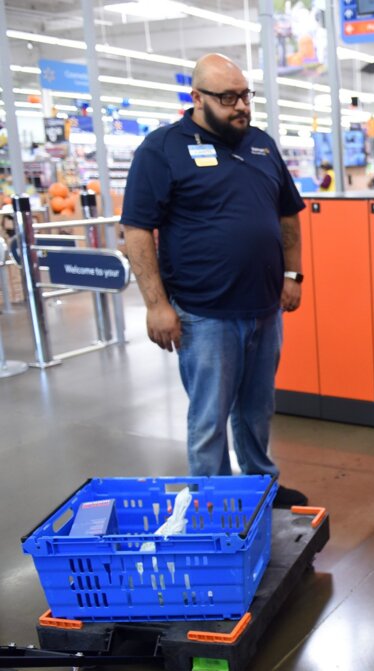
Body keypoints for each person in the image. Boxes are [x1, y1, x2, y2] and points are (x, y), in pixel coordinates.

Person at [120, 53, 308, 509]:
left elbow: (287, 214)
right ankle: (215, 502)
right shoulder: (162, 149)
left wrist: (292, 273)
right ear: (197, 98)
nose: (241, 106)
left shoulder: (261, 144)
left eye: (245, 96)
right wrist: (156, 305)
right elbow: (138, 230)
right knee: (209, 418)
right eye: (228, 98)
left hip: (264, 308)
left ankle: (261, 485)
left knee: (256, 411)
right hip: (204, 314)